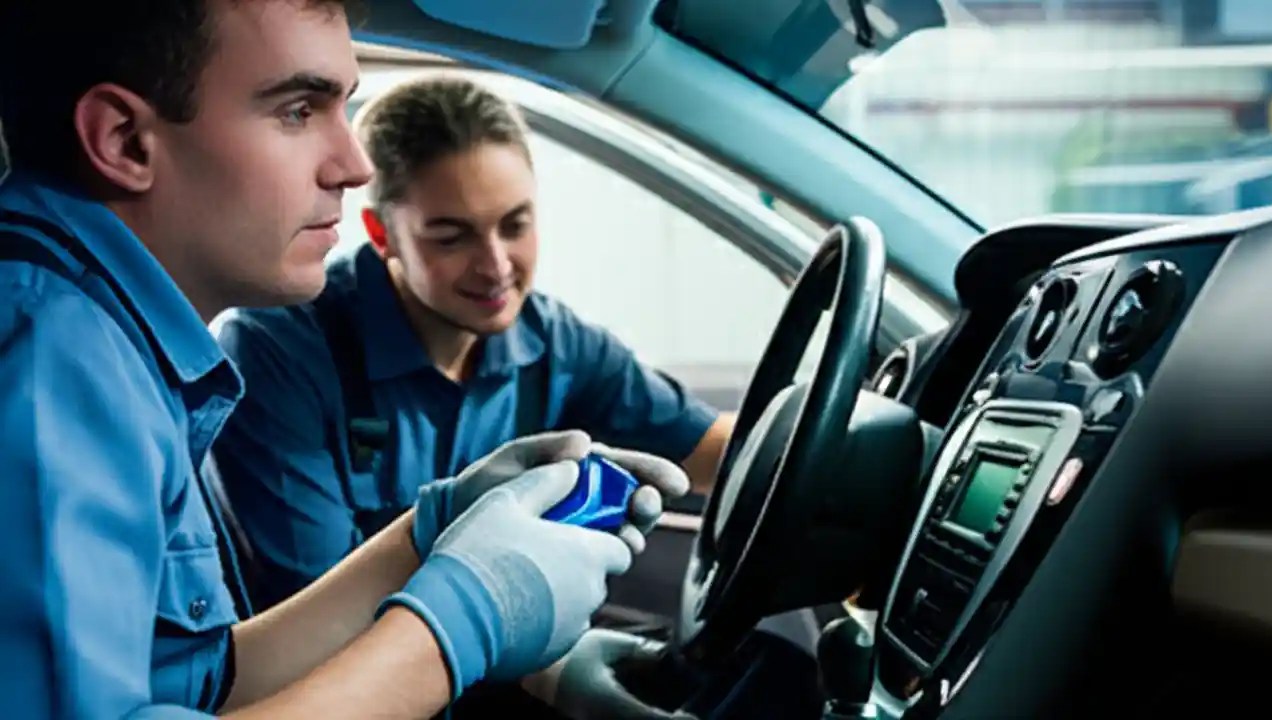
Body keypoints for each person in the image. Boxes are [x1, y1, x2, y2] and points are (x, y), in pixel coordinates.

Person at [0, 2, 692, 718]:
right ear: (125, 141)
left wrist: (425, 539)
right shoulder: (51, 361)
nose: (355, 166)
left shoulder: (113, 345)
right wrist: (467, 619)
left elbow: (201, 685)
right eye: (298, 111)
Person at [210, 74, 736, 610]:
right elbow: (320, 610)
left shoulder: (553, 342)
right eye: (452, 238)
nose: (495, 266)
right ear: (383, 234)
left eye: (514, 225)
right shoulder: (278, 353)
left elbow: (714, 451)